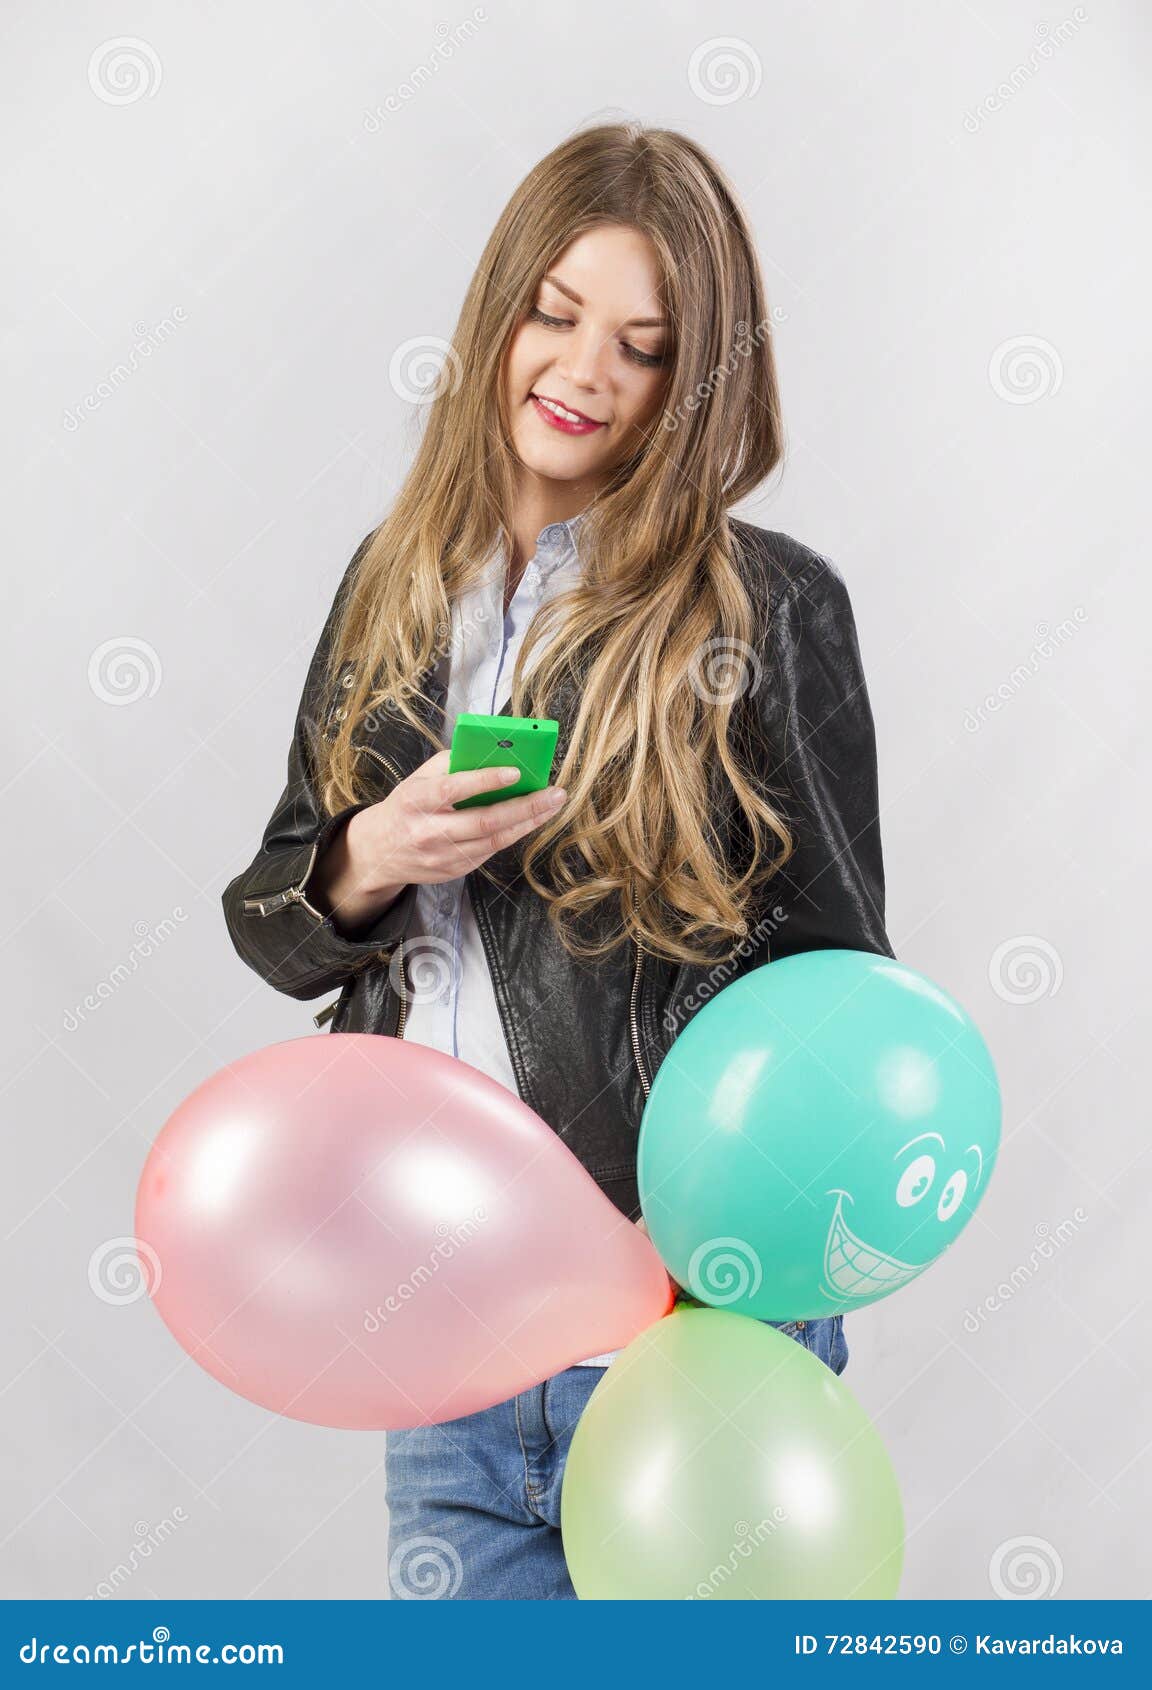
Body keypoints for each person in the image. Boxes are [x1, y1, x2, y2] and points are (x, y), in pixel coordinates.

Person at [222, 122, 894, 1601]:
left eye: (644, 347)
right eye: (558, 313)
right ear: (500, 311)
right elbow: (275, 925)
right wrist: (373, 852)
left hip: (695, 1348)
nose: (585, 372)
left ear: (691, 384)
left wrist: (710, 1267)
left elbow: (843, 1006)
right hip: (454, 1351)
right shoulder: (393, 586)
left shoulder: (764, 609)